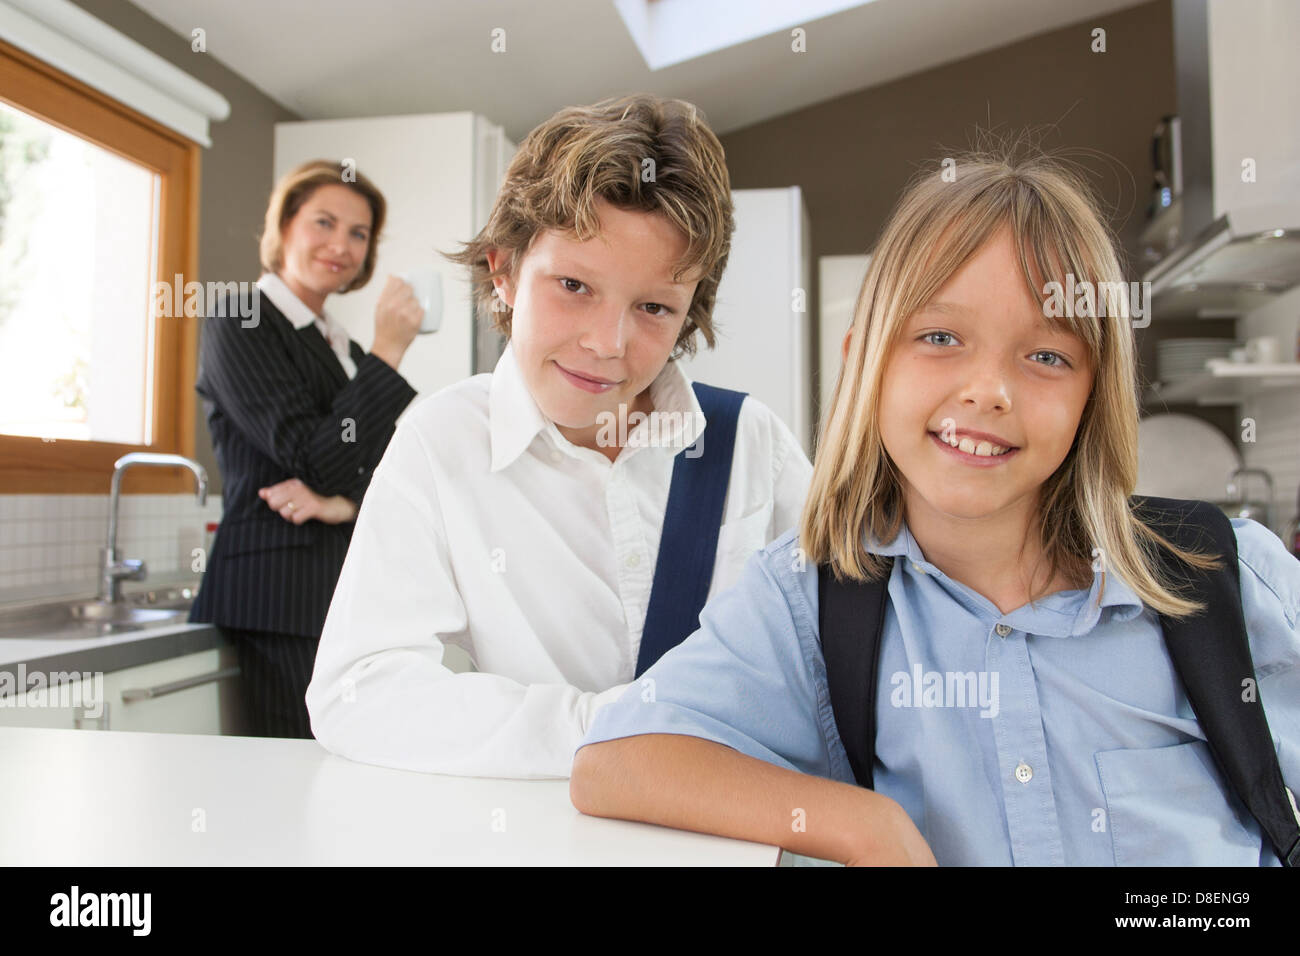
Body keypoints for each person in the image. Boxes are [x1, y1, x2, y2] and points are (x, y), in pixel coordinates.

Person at [570, 148, 1300, 866]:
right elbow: (616, 763)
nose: (988, 391)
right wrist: (863, 824)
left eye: (1047, 356)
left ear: (1092, 393)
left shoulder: (1229, 579)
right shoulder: (810, 602)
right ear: (865, 361)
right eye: (940, 337)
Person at [305, 94, 813, 778]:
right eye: (574, 285)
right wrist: (610, 727)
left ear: (692, 312)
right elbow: (357, 691)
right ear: (504, 272)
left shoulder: (755, 445)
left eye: (655, 307)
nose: (608, 343)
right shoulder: (442, 443)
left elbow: (836, 656)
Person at [189, 159, 422, 738]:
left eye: (358, 234)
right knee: (298, 780)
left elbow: (385, 470)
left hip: (340, 588)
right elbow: (316, 456)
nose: (341, 244)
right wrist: (389, 353)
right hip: (279, 597)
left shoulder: (335, 343)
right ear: (285, 226)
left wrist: (343, 504)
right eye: (324, 222)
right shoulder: (241, 318)